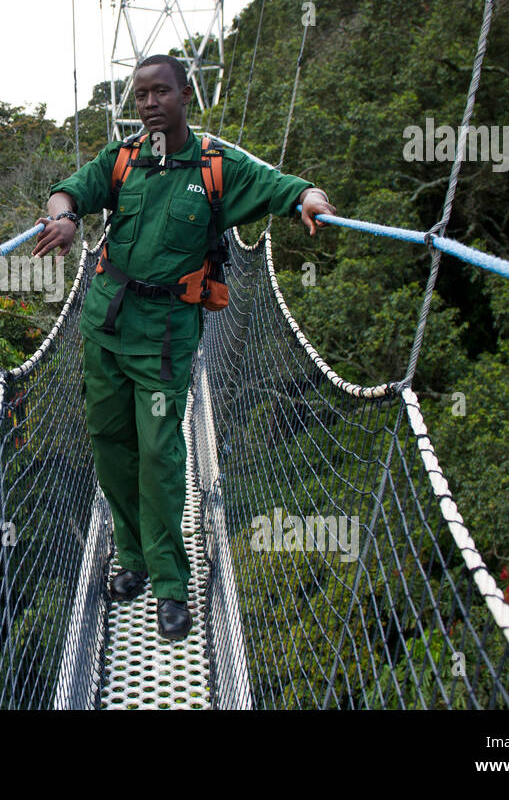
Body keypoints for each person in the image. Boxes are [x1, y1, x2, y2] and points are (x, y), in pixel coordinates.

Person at [31, 54, 336, 641]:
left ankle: (171, 585)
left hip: (166, 338)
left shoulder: (217, 168)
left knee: (162, 457)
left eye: (159, 92)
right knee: (111, 447)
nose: (148, 103)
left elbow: (284, 188)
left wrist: (311, 200)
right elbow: (68, 191)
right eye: (139, 94)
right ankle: (134, 558)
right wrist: (65, 219)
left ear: (185, 95)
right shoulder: (122, 160)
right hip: (104, 326)